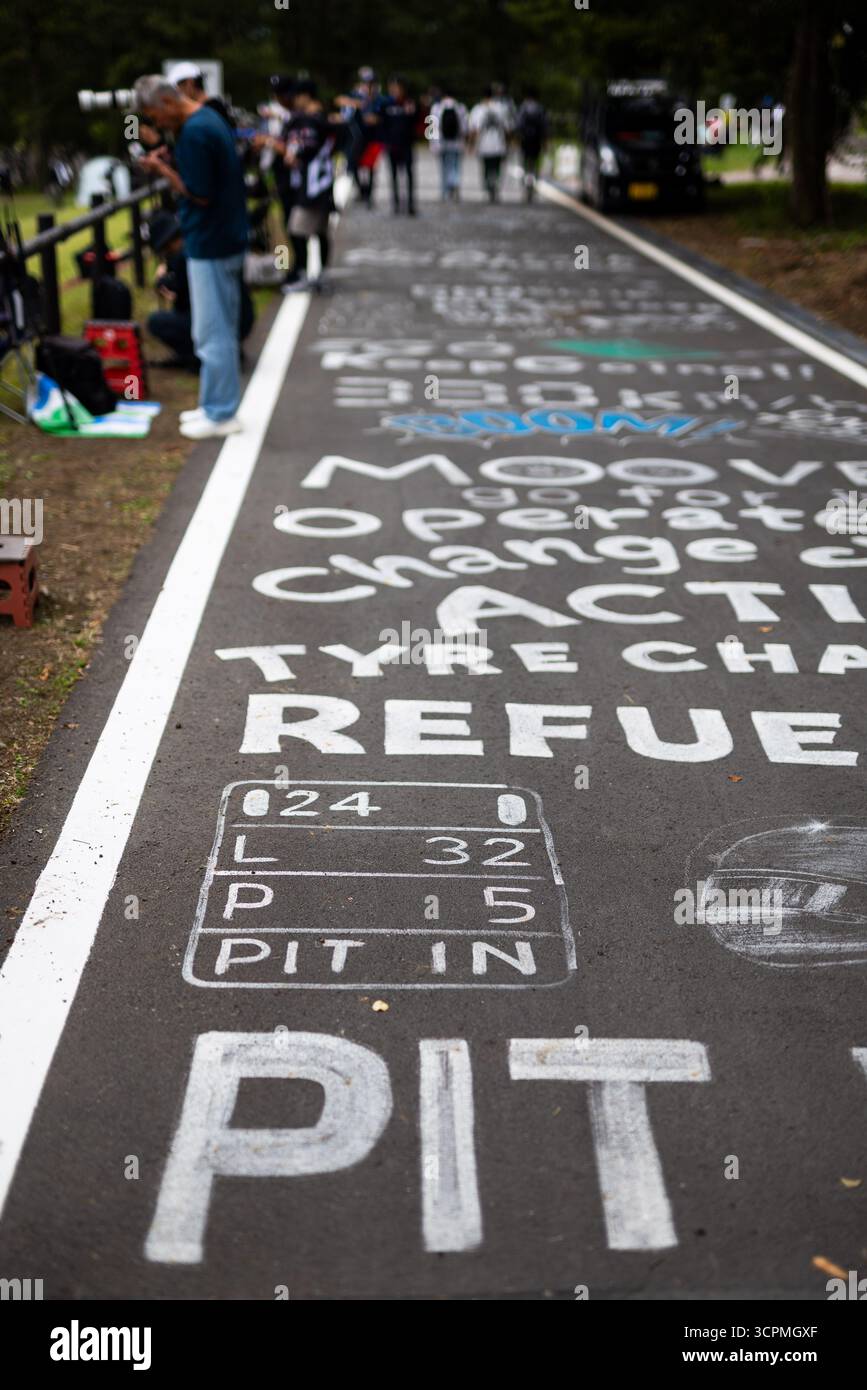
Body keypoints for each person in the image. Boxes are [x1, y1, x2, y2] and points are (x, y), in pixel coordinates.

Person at [134, 74, 249, 440]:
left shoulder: (196, 132)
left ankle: (221, 412)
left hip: (210, 241)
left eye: (154, 116)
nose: (156, 124)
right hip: (224, 237)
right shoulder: (207, 118)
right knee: (214, 329)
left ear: (168, 103)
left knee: (213, 332)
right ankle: (215, 405)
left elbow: (199, 194)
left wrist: (163, 170)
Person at [145, 209, 254, 371]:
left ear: (168, 244)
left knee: (156, 322)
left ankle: (200, 357)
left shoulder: (184, 257)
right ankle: (226, 350)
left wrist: (163, 280)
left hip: (219, 324)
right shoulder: (202, 243)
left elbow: (182, 302)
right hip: (242, 318)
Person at [280, 80, 337, 291]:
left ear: (306, 95)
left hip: (314, 185)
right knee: (319, 231)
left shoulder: (312, 121)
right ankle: (321, 275)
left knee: (296, 229)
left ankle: (303, 274)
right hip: (320, 183)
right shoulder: (324, 120)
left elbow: (304, 149)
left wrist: (290, 153)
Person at [379, 76, 417, 215]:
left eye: (396, 87)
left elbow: (416, 122)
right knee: (393, 175)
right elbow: (382, 124)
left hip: (406, 144)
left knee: (409, 174)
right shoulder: (386, 104)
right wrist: (385, 142)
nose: (394, 90)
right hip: (392, 145)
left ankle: (411, 203)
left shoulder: (409, 103)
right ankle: (395, 203)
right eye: (391, 87)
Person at [468, 86, 511, 202]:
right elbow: (507, 128)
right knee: (496, 168)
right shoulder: (501, 108)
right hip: (498, 144)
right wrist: (508, 143)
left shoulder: (478, 109)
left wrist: (471, 145)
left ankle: (488, 186)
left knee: (486, 167)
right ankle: (494, 185)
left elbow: (473, 129)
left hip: (483, 145)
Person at [166, 61, 236, 130]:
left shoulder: (213, 109)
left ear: (189, 83)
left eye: (177, 89)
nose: (176, 95)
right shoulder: (214, 107)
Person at [430, 87, 468, 201]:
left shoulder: (436, 108)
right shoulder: (461, 107)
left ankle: (445, 191)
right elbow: (465, 128)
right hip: (457, 143)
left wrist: (433, 144)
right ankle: (455, 183)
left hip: (442, 143)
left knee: (444, 168)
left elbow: (432, 128)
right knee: (455, 166)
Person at [516, 88, 548, 201]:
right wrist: (545, 142)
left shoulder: (523, 108)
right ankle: (533, 183)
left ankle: (526, 185)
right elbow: (545, 126)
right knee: (534, 163)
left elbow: (518, 125)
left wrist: (518, 138)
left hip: (525, 140)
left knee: (525, 162)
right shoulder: (540, 108)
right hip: (536, 140)